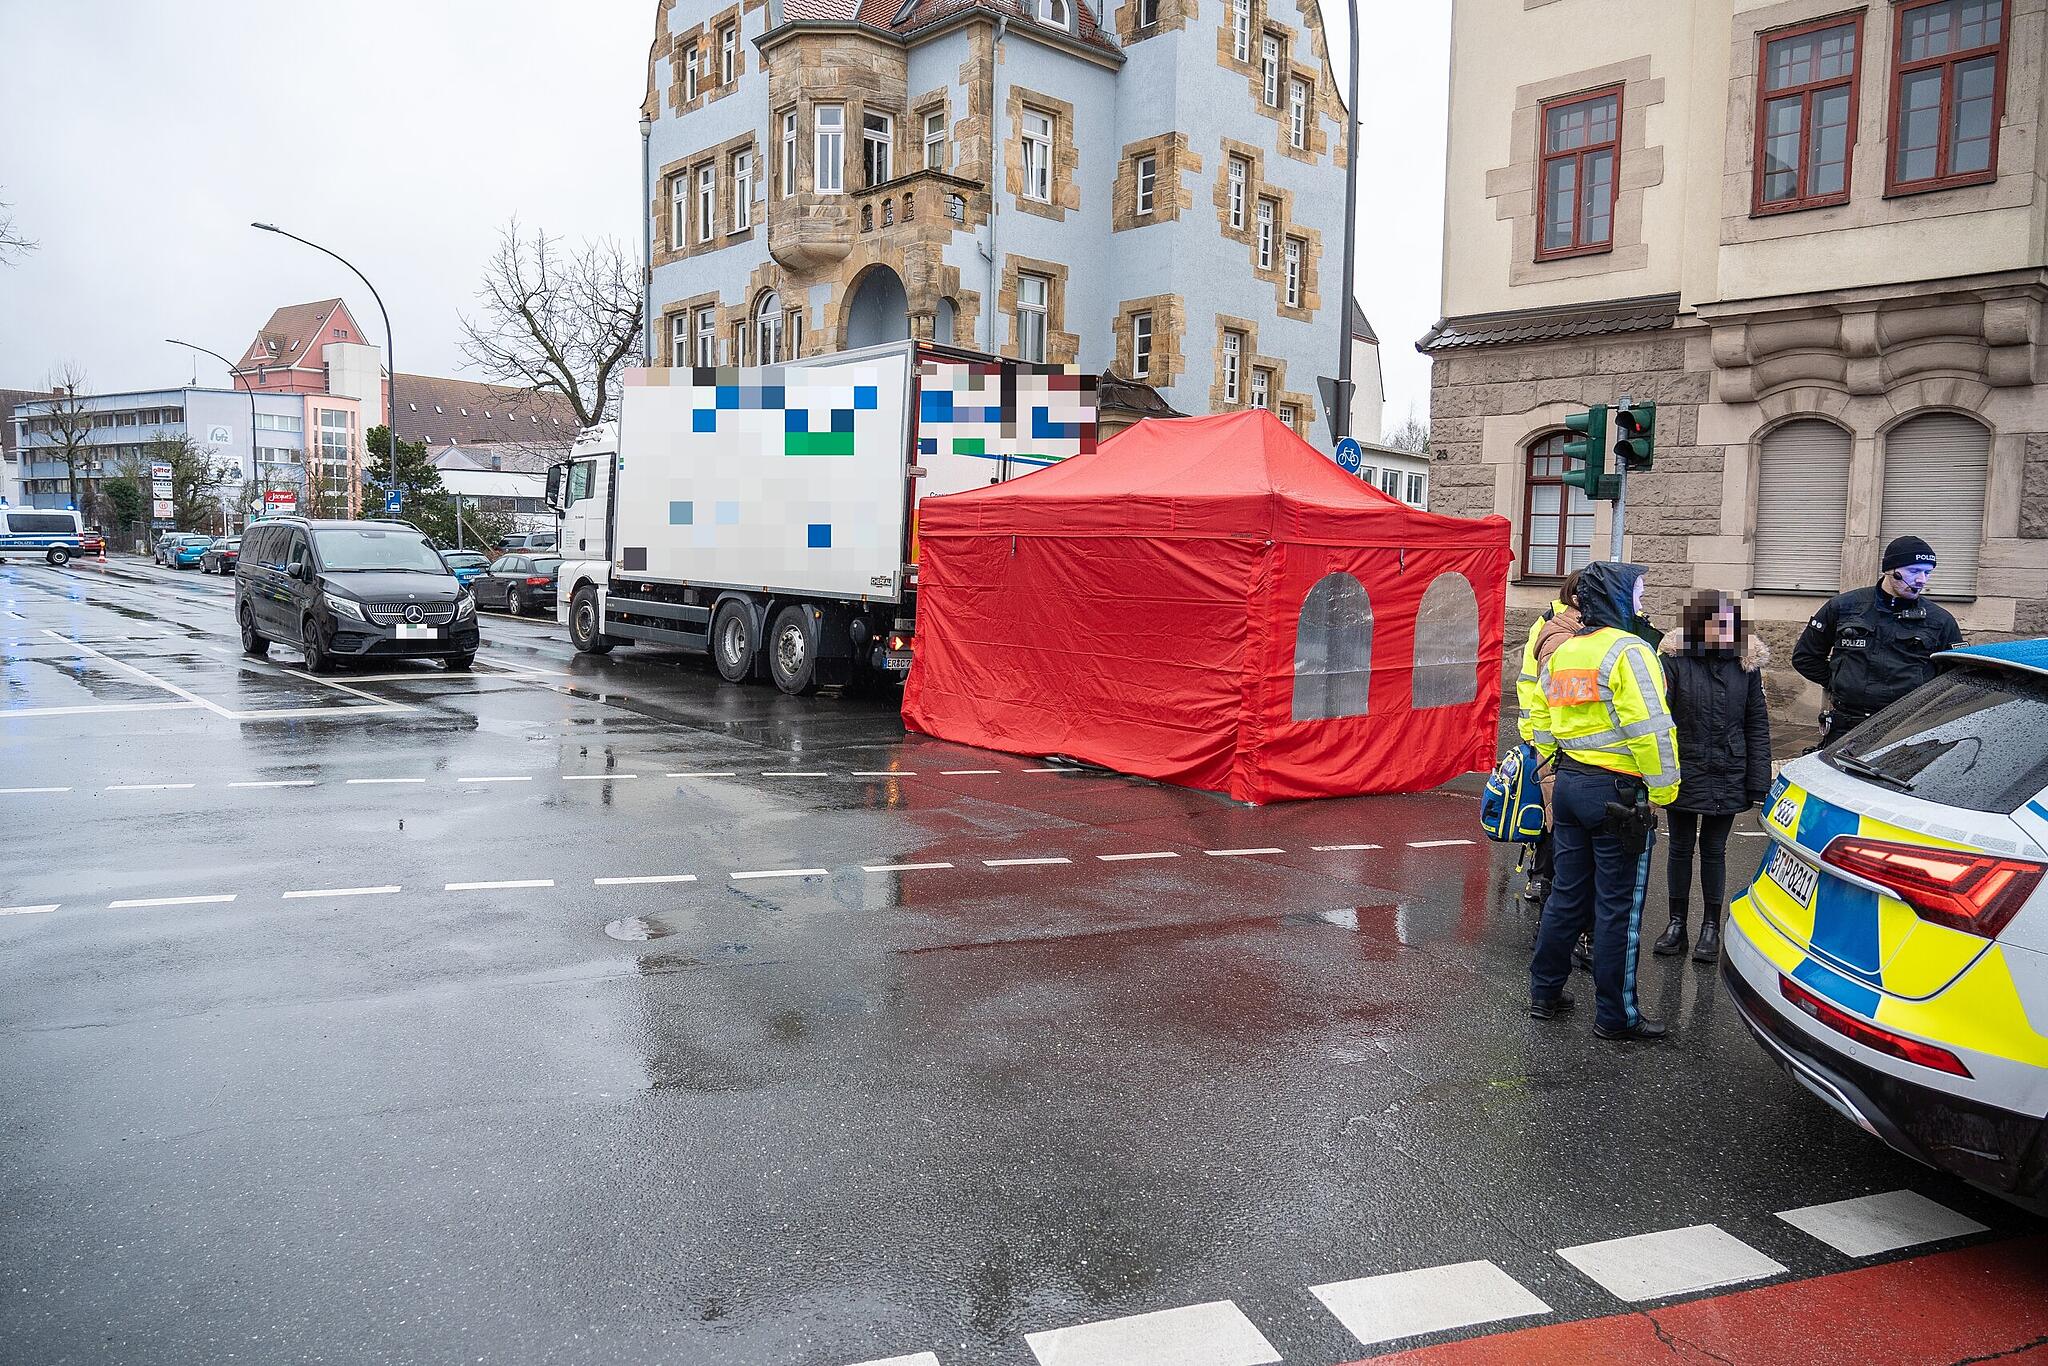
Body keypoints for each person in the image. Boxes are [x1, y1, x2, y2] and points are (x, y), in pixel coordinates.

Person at [1526, 560, 1680, 1041]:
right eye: (1637, 591)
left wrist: (1551, 765)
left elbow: (1541, 714)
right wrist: (1663, 791)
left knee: (1567, 895)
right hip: (1618, 794)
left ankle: (1544, 993)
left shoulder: (1567, 651)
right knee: (1618, 908)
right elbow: (1651, 730)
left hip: (1571, 784)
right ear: (1615, 596)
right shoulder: (1630, 650)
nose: (1642, 601)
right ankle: (1617, 1016)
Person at [1654, 590, 1771, 963]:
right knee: (1679, 848)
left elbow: (1757, 724)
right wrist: (1658, 772)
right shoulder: (1674, 663)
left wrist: (1758, 781)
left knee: (1715, 851)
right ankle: (1676, 924)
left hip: (1727, 770)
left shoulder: (1745, 667)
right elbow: (1660, 721)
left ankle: (1710, 926)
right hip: (1684, 768)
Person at [1793, 535, 1961, 746]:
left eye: (1927, 572)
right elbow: (1805, 657)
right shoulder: (1844, 607)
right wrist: (1839, 681)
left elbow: (1955, 677)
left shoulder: (1940, 620)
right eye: (1914, 571)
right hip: (1847, 727)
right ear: (1891, 571)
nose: (1922, 580)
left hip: (1905, 729)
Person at [1514, 570, 1584, 906]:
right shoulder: (1557, 627)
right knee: (1549, 812)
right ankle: (1540, 878)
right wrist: (1533, 731)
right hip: (1546, 733)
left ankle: (1542, 880)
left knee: (1552, 808)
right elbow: (1539, 682)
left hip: (1542, 729)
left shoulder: (1555, 622)